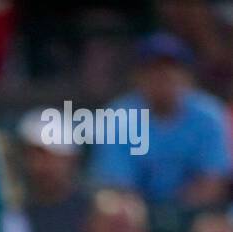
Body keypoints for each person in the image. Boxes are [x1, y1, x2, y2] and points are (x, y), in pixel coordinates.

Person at [90, 33, 231, 209]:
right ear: (137, 77)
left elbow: (214, 180)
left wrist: (174, 214)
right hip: (135, 217)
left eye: (172, 68)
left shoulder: (209, 115)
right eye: (153, 69)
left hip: (196, 215)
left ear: (188, 76)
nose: (163, 75)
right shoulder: (118, 116)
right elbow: (116, 184)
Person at [17, 108, 90, 232]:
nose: (39, 165)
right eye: (32, 155)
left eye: (49, 155)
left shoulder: (92, 211)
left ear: (72, 159)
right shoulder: (12, 209)